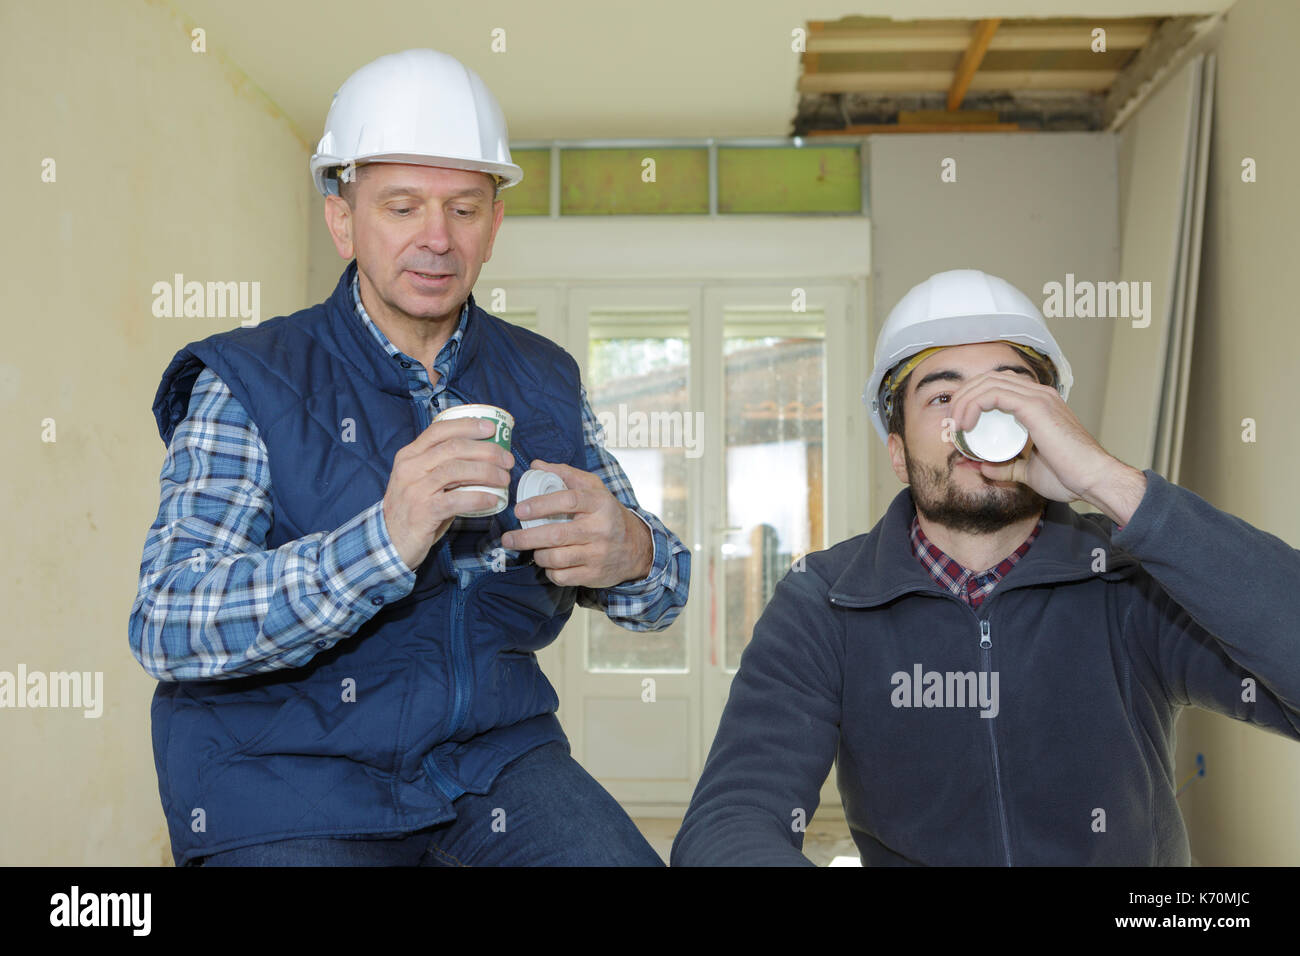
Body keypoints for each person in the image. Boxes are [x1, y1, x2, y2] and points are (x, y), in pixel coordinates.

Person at [129, 49, 689, 867]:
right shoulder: (248, 378)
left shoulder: (542, 377)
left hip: (493, 764)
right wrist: (383, 542)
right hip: (286, 774)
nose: (436, 239)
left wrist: (631, 550)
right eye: (401, 207)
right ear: (343, 219)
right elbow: (168, 621)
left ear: (494, 226)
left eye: (464, 209)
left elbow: (662, 591)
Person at [671, 268, 1300, 866]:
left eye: (1010, 391)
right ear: (898, 451)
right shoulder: (826, 602)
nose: (976, 418)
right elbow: (733, 817)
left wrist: (1111, 483)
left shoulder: (1132, 582)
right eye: (943, 395)